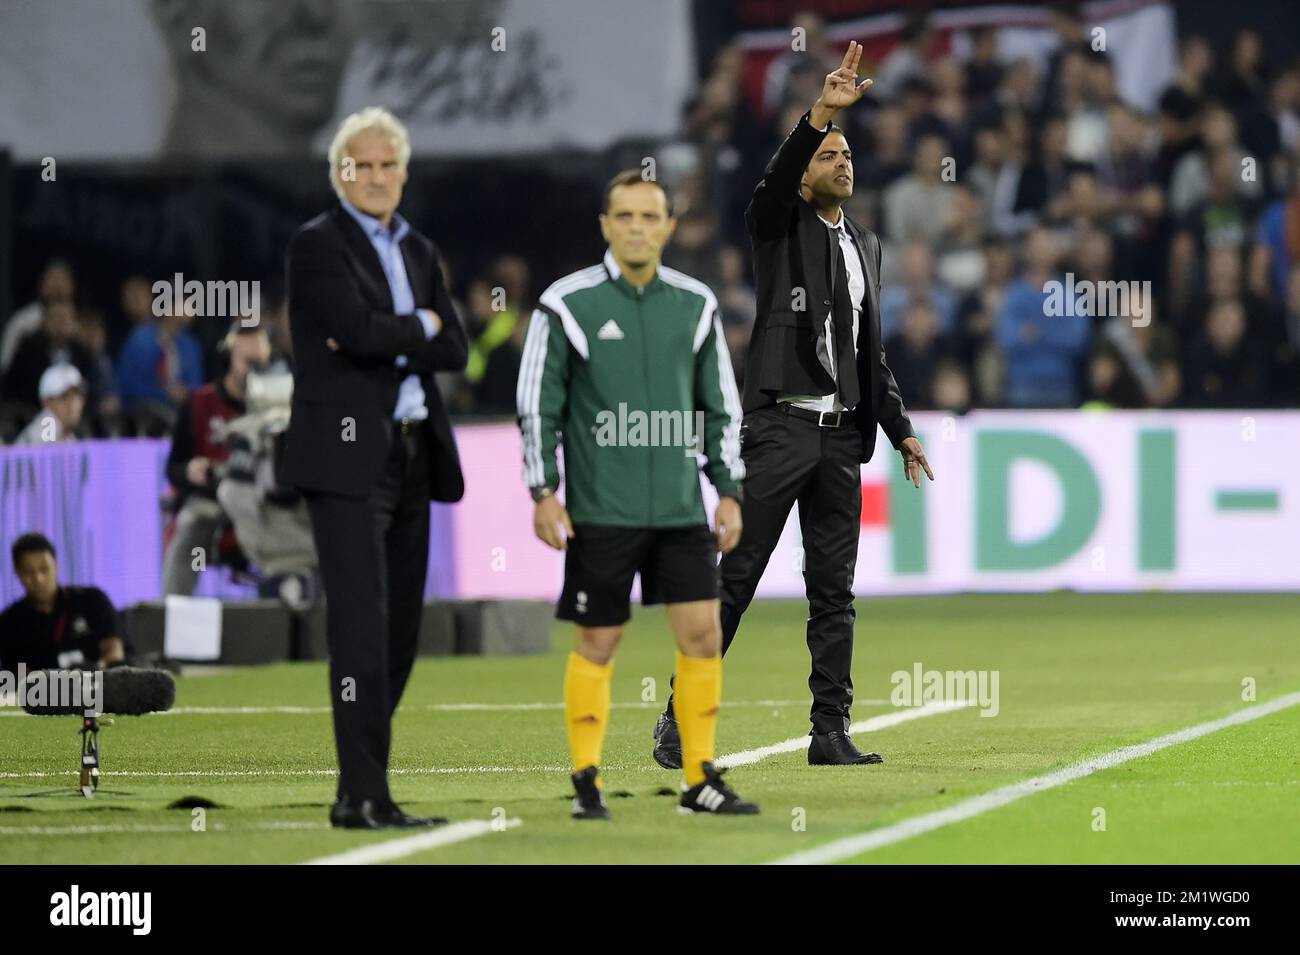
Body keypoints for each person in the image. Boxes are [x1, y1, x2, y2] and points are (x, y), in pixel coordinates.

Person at [652, 43, 933, 769]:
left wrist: (898, 428)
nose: (842, 160)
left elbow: (868, 352)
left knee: (834, 591)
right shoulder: (778, 226)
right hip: (780, 426)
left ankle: (829, 730)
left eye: (845, 152)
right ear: (804, 176)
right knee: (738, 576)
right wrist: (819, 114)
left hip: (842, 438)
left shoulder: (866, 245)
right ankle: (681, 718)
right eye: (827, 154)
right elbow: (773, 180)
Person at [518, 169, 757, 820]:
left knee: (703, 635)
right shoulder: (568, 304)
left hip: (681, 508)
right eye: (624, 216)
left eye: (650, 217)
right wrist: (544, 489)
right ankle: (586, 779)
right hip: (603, 509)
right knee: (599, 640)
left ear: (669, 227)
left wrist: (728, 491)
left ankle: (699, 778)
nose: (637, 228)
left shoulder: (695, 304)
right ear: (605, 225)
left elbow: (720, 406)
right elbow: (538, 404)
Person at [281, 107, 468, 830]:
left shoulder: (418, 248)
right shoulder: (316, 245)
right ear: (339, 174)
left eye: (390, 165)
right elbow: (354, 332)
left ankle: (364, 782)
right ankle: (362, 794)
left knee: (399, 633)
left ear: (405, 173)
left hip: (415, 452)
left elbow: (452, 344)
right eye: (363, 165)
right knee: (360, 628)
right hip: (347, 455)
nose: (378, 177)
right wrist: (414, 326)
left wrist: (409, 332)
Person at [162, 322, 271, 595]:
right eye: (248, 362)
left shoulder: (278, 405)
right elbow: (173, 468)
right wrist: (190, 470)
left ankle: (295, 618)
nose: (255, 371)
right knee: (190, 525)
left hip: (264, 502)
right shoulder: (199, 403)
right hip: (211, 502)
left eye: (261, 363)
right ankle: (174, 612)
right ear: (229, 359)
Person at [0, 534, 125, 672]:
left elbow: (113, 652)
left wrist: (96, 676)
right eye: (29, 572)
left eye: (44, 569)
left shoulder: (92, 600)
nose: (38, 579)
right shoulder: (10, 622)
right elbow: (18, 675)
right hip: (44, 691)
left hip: (99, 687)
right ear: (17, 573)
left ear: (56, 565)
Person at [13, 363, 86, 445]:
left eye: (77, 396)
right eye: (64, 397)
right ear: (46, 402)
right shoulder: (43, 433)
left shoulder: (67, 434)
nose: (73, 404)